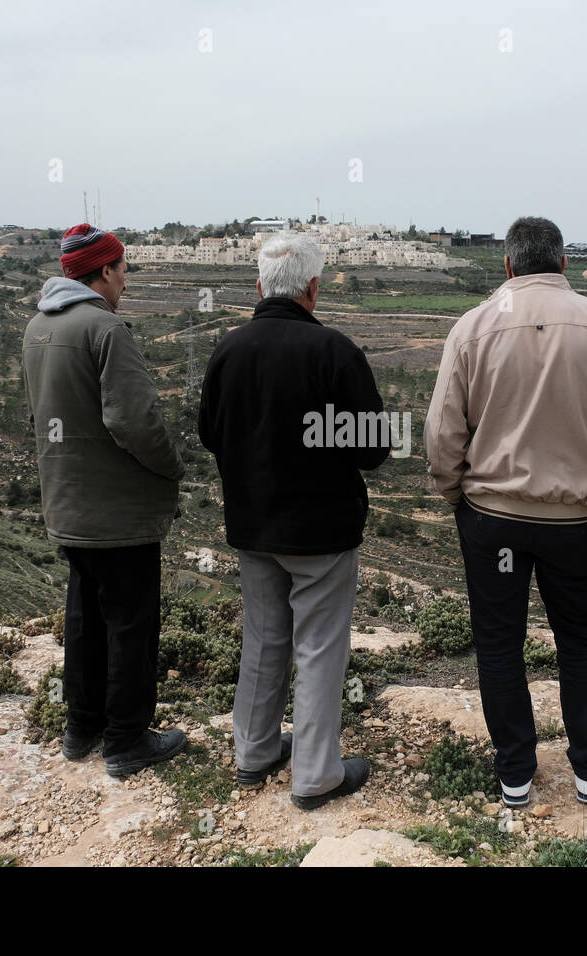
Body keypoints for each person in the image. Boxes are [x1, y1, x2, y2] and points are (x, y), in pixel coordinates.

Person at [425, 216, 587, 808]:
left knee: (499, 643)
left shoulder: (471, 329)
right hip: (576, 522)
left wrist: (458, 496)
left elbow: (443, 434)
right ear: (564, 263)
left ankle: (516, 773)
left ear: (507, 266)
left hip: (492, 517)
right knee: (580, 640)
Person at [199, 233, 390, 811]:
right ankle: (314, 775)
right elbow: (373, 448)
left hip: (254, 525)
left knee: (263, 640)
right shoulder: (335, 352)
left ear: (260, 286)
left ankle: (254, 753)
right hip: (321, 531)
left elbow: (211, 435)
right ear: (313, 288)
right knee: (319, 647)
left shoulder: (227, 349)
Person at [22, 223, 187, 777]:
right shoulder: (106, 328)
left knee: (85, 617)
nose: (126, 280)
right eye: (123, 269)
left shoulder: (36, 329)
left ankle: (81, 727)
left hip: (66, 505)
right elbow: (135, 421)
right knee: (130, 625)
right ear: (104, 272)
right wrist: (172, 468)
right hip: (117, 513)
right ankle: (126, 741)